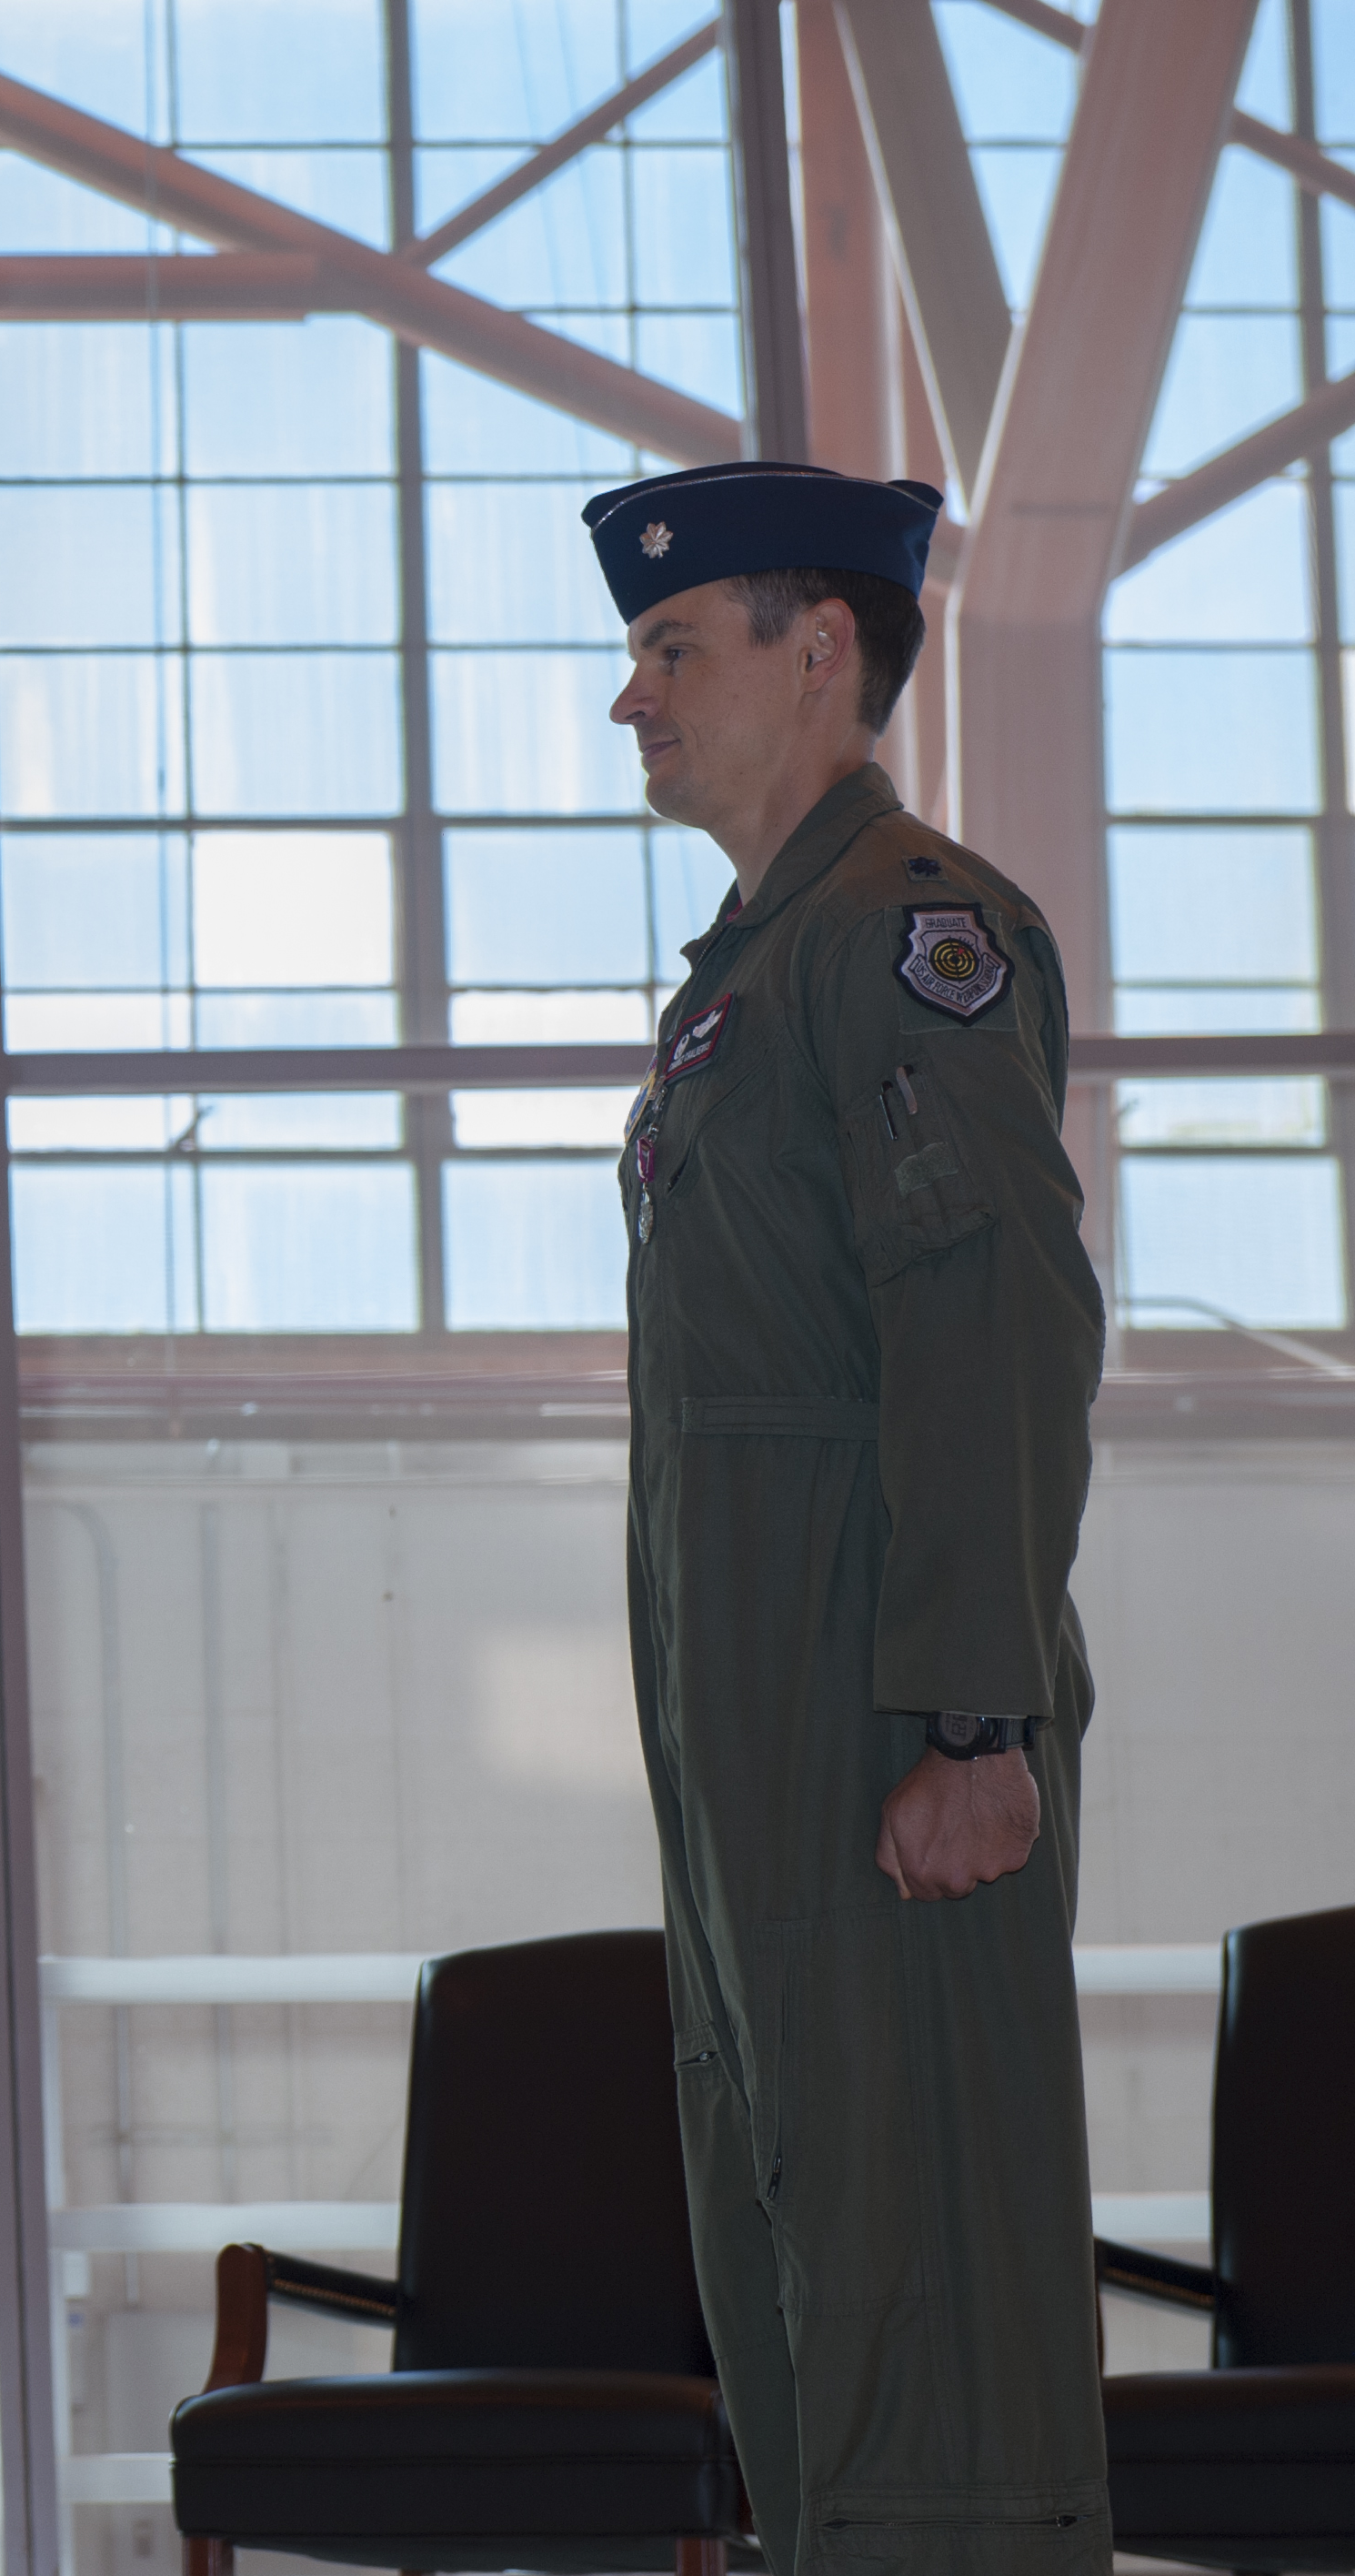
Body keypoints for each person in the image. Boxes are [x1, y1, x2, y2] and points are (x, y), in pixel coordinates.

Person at [587, 460, 1109, 2567]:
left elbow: (985, 1314)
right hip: (757, 1728)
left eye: (669, 646)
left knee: (927, 2305)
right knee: (802, 2287)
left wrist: (975, 1721)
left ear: (824, 653)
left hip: (884, 1708)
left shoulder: (906, 931)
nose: (631, 700)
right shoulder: (753, 965)